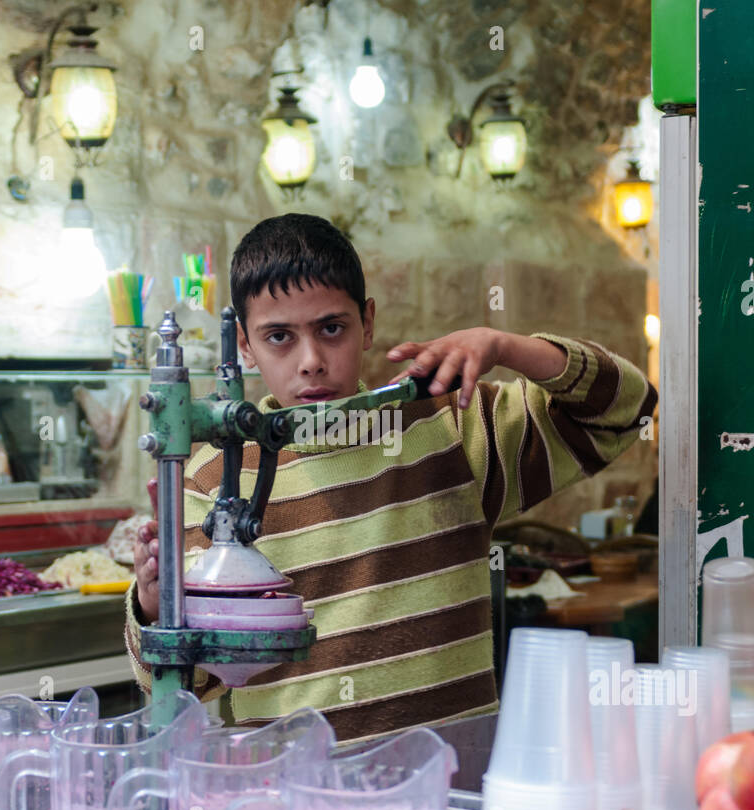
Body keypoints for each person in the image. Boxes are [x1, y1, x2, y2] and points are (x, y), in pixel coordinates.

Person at [126, 213, 656, 742]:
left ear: (369, 322)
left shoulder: (455, 428)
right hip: (293, 794)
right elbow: (191, 682)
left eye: (331, 329)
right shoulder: (211, 481)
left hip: (446, 789)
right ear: (244, 344)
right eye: (280, 337)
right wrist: (154, 608)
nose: (311, 361)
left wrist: (506, 346)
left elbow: (626, 411)